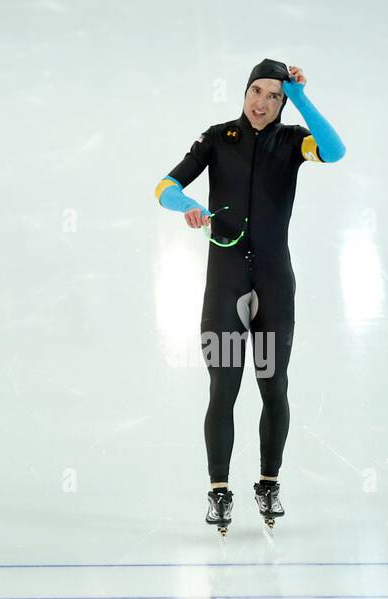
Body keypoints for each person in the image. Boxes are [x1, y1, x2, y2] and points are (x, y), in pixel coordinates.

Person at [154, 58, 345, 535]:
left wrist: (300, 96)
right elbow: (164, 186)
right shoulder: (219, 138)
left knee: (272, 386)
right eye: (255, 91)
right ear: (243, 93)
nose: (261, 103)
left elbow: (336, 151)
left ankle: (268, 482)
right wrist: (190, 206)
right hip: (226, 287)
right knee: (224, 387)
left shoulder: (292, 141)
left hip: (274, 287)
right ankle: (219, 490)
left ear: (284, 103)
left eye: (273, 96)